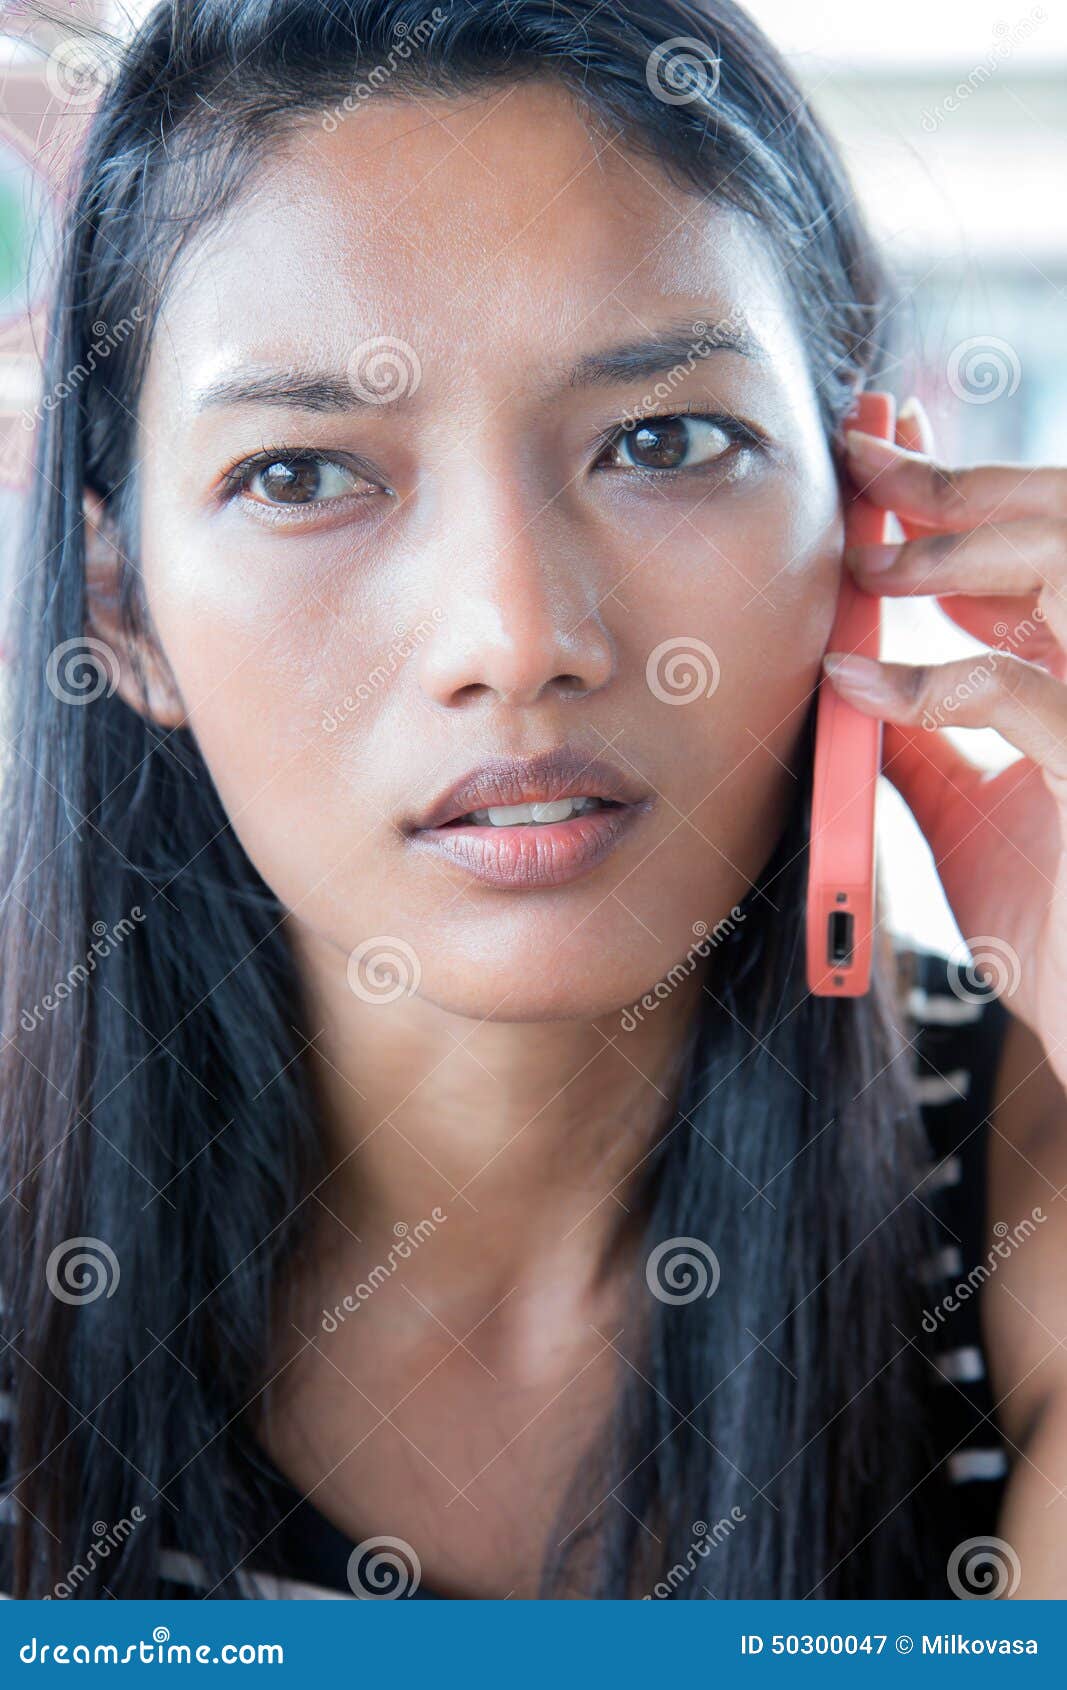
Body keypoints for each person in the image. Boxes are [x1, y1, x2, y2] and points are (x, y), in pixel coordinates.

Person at [0, 0, 1064, 1601]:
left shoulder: (1023, 1203)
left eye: (666, 438)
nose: (517, 637)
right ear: (121, 609)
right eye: (303, 473)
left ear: (869, 520)